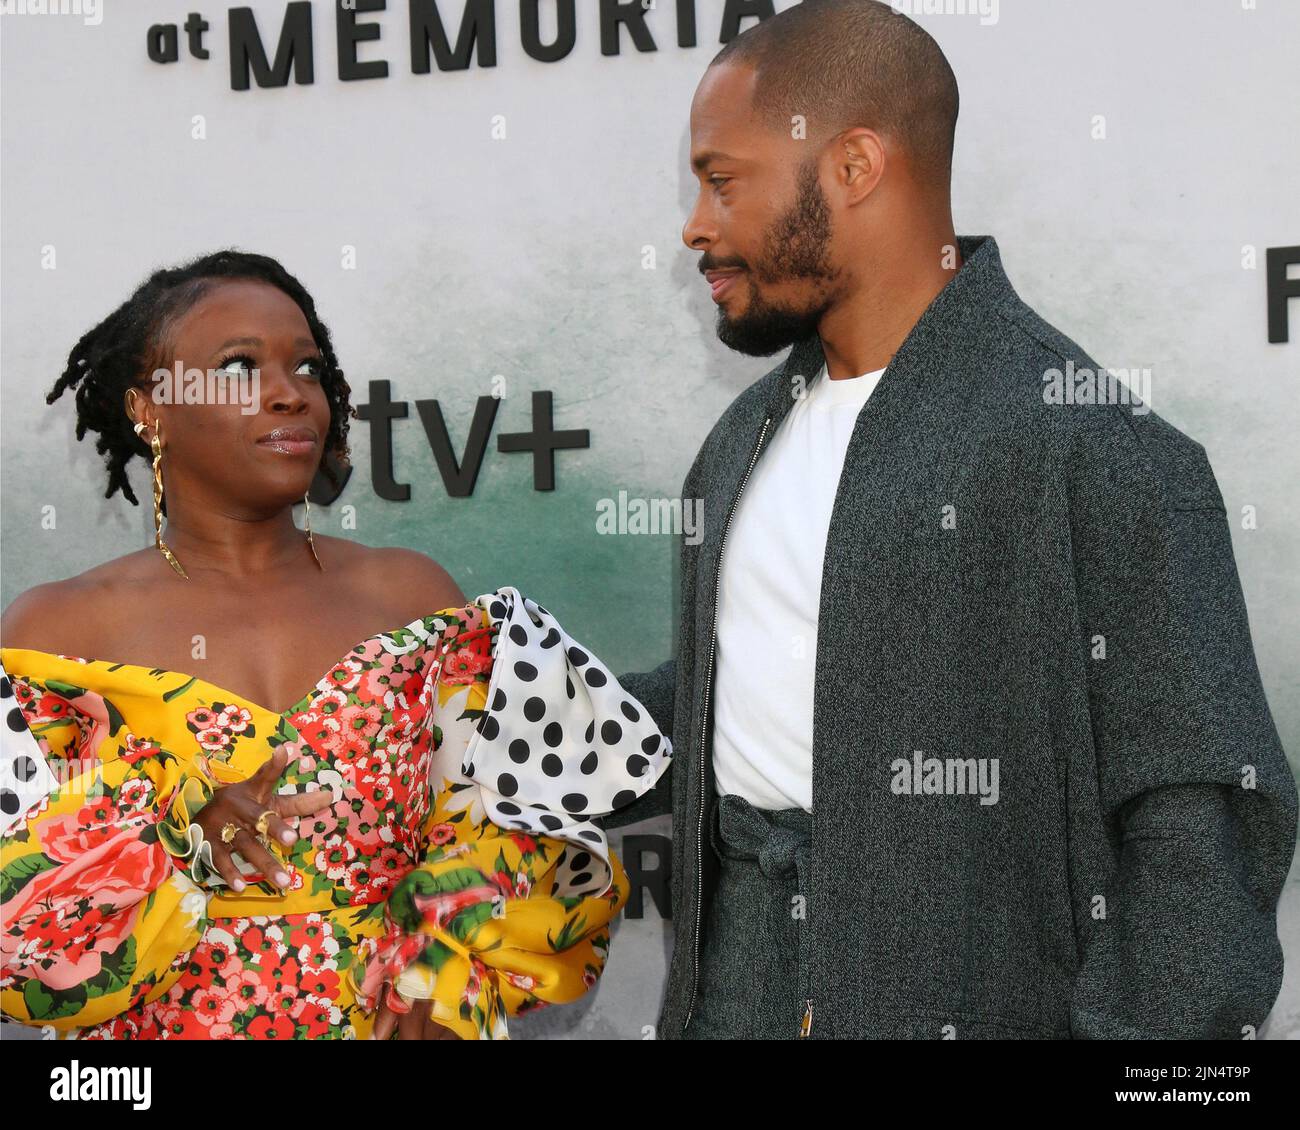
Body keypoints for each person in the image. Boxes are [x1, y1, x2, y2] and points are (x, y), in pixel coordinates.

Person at [608, 0, 1297, 1039]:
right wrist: (475, 711)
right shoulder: (740, 440)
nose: (695, 226)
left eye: (721, 179)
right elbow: (745, 699)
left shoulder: (1096, 446)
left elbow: (1193, 838)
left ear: (851, 167)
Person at [0, 250, 672, 1040]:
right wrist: (181, 842)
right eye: (241, 368)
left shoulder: (412, 599)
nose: (291, 393)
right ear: (151, 410)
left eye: (308, 367)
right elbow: (20, 918)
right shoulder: (54, 635)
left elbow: (506, 835)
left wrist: (442, 967)